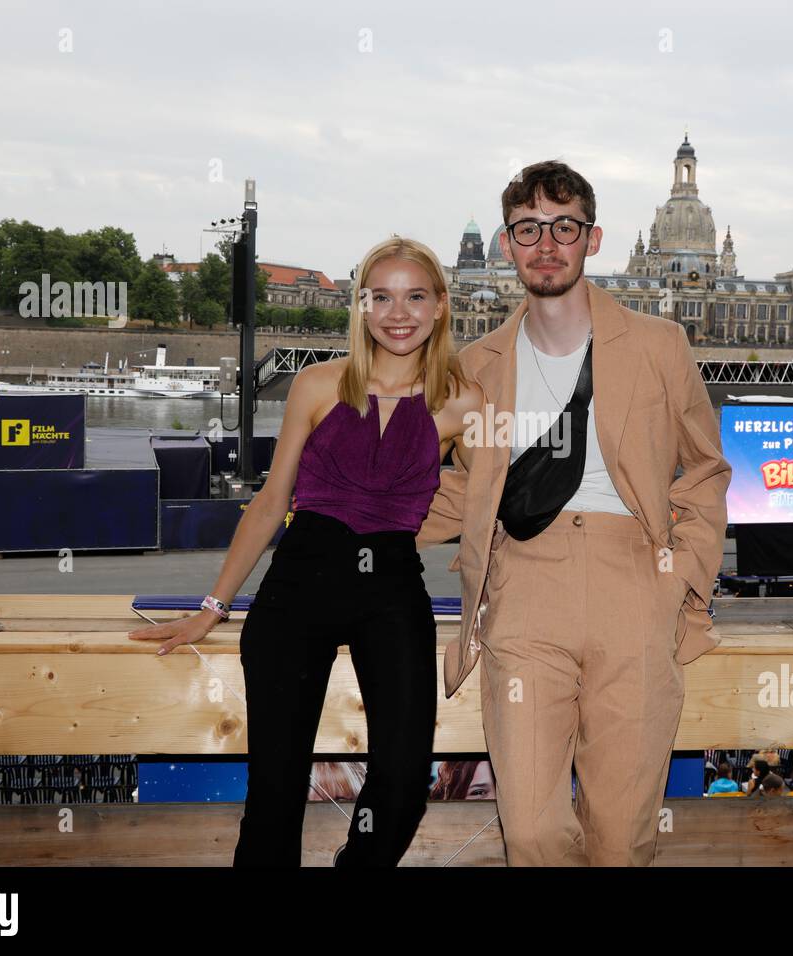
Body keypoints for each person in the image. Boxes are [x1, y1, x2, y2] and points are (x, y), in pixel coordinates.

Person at [128, 236, 484, 867]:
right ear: (362, 306)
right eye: (382, 297)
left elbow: (490, 510)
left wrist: (486, 610)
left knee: (402, 786)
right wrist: (214, 605)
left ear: (439, 307)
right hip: (296, 587)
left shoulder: (463, 402)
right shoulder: (319, 385)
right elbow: (270, 503)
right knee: (274, 794)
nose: (397, 313)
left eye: (415, 297)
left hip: (393, 591)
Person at [415, 159, 732, 866]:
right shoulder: (478, 364)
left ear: (592, 240)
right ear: (507, 245)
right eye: (529, 229)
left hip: (637, 587)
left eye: (564, 226)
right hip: (525, 589)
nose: (546, 243)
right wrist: (345, 513)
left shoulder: (658, 346)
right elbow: (469, 490)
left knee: (622, 839)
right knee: (528, 830)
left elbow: (706, 470)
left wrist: (680, 575)